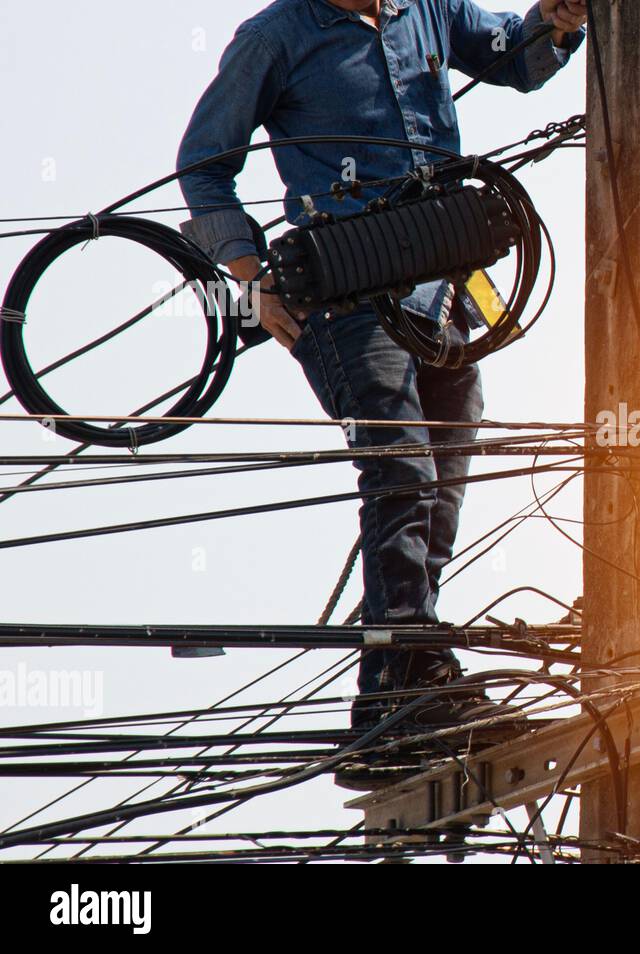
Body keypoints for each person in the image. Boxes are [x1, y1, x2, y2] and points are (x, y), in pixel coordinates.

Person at [176, 0, 587, 734]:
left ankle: (396, 687)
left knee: (445, 485)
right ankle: (412, 672)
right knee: (402, 472)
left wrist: (556, 21)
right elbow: (205, 166)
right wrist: (249, 276)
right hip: (345, 301)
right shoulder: (276, 38)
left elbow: (513, 58)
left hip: (443, 294)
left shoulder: (429, 8)